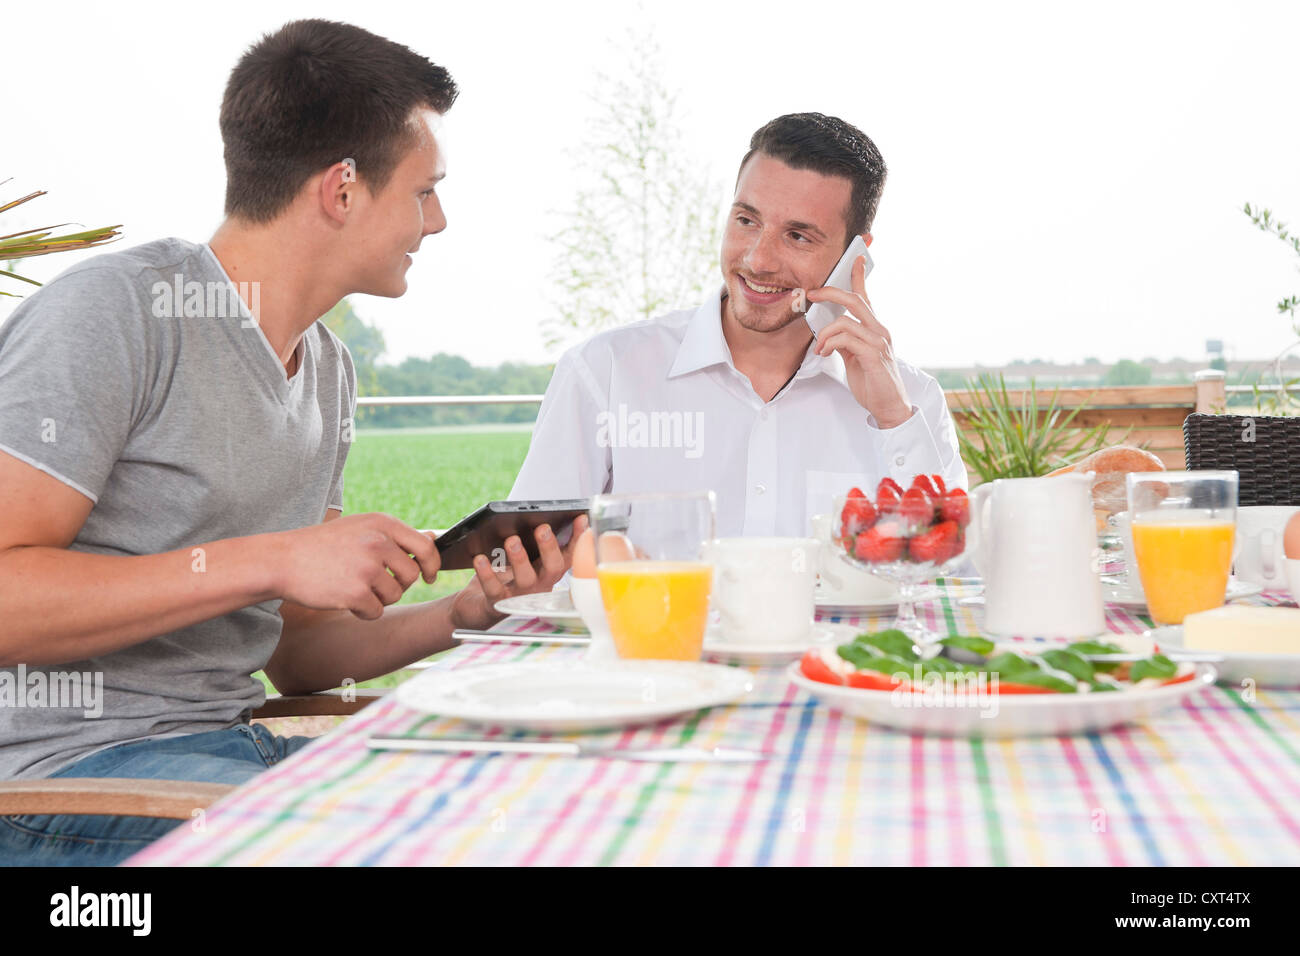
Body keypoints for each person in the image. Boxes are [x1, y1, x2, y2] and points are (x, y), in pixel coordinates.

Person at [0, 19, 582, 866]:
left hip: (225, 753)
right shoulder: (115, 314)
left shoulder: (329, 373)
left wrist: (466, 613)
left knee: (525, 801)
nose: (440, 220)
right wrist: (274, 558)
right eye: (425, 191)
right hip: (63, 782)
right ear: (342, 191)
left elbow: (302, 654)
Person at [510, 113, 967, 536]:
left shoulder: (912, 401)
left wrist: (893, 421)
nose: (757, 259)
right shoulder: (605, 372)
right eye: (747, 220)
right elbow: (528, 569)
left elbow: (949, 579)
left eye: (798, 236)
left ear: (855, 257)